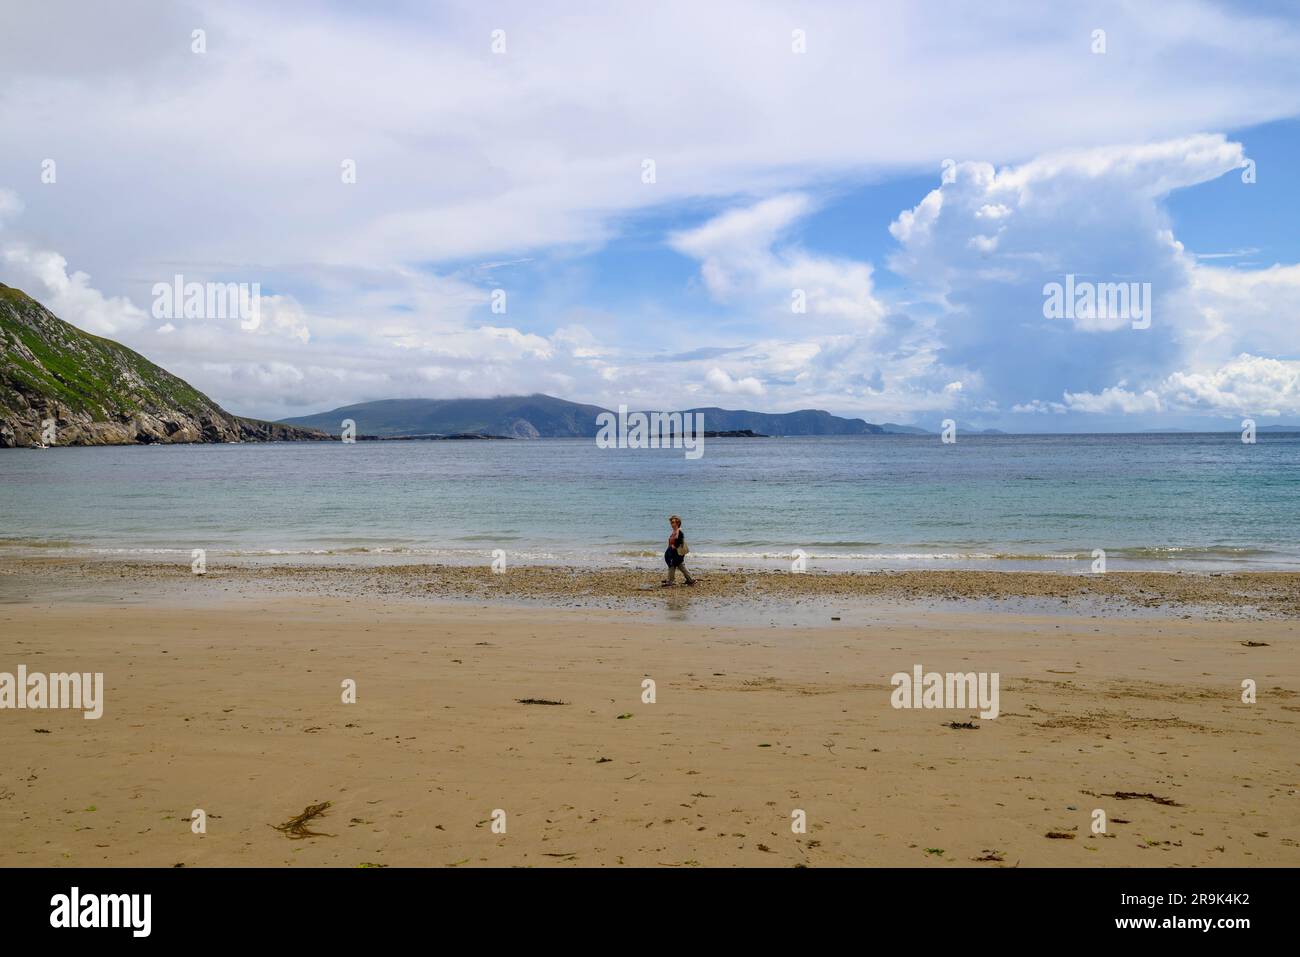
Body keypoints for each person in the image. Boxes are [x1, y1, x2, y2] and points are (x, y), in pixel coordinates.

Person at [662, 514, 696, 586]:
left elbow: (680, 541)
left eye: (673, 522)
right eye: (671, 522)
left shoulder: (679, 531)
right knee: (680, 566)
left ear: (678, 523)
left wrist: (674, 546)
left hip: (677, 553)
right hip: (673, 553)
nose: (672, 524)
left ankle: (670, 581)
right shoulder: (674, 531)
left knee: (672, 565)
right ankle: (690, 580)